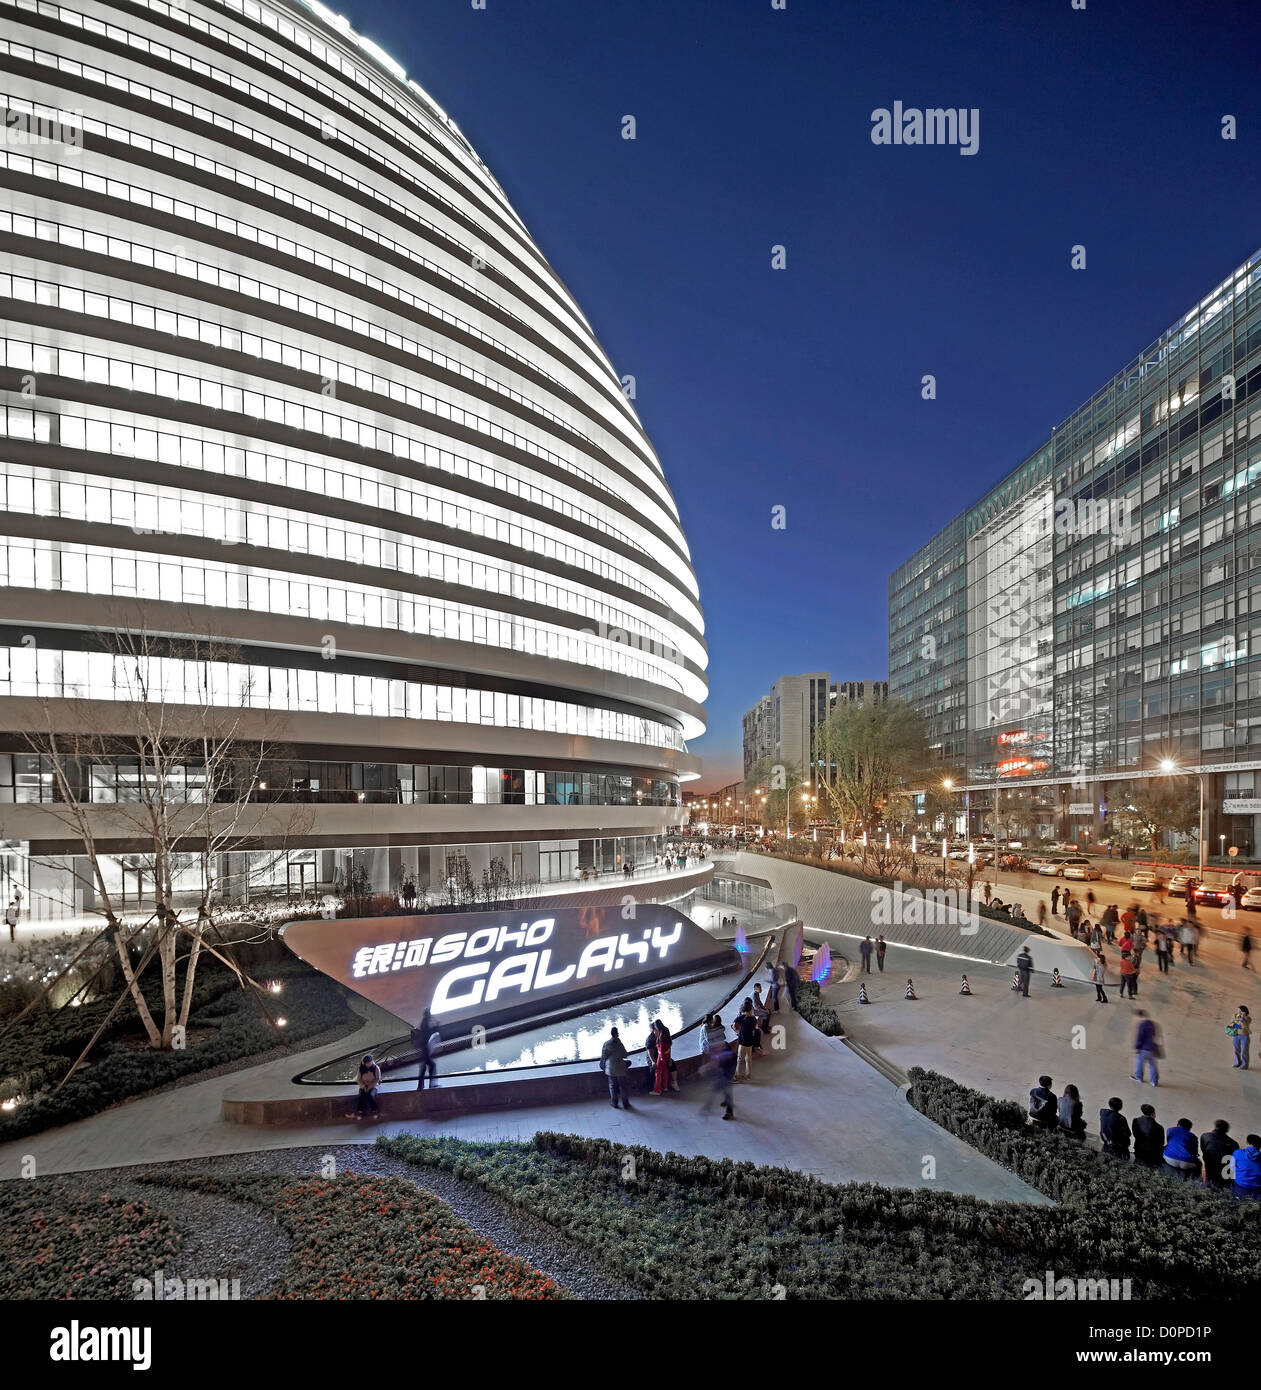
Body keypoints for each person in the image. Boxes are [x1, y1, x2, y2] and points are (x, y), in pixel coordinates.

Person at [701, 1013, 736, 1121]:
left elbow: (720, 1058)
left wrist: (707, 1067)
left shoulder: (719, 1045)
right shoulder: (719, 1042)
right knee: (721, 1086)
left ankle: (729, 1112)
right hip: (726, 1065)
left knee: (725, 1087)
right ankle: (718, 1104)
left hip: (728, 1065)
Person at [600, 1025, 633, 1109]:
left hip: (610, 1069)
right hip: (620, 1068)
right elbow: (625, 1055)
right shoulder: (620, 1044)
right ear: (617, 1034)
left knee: (612, 1085)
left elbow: (604, 1056)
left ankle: (614, 1102)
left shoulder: (606, 1044)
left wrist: (603, 1066)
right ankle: (625, 1103)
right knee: (623, 1086)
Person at [1200, 1119, 1238, 1189]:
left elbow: (1204, 1151)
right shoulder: (1234, 1144)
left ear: (1216, 1126)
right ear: (1226, 1130)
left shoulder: (1205, 1136)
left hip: (1210, 1173)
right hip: (1226, 1178)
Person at [733, 1002, 759, 1079]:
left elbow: (734, 1024)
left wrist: (738, 1031)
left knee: (740, 1059)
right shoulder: (753, 1019)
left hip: (743, 1042)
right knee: (748, 1059)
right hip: (750, 1041)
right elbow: (756, 1028)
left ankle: (736, 1076)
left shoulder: (742, 1019)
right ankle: (748, 1075)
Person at [1133, 1102, 1164, 1167]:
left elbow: (1135, 1134)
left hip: (1138, 1150)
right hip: (1151, 1154)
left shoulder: (1135, 1121)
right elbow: (1161, 1142)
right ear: (1153, 1114)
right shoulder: (1159, 1127)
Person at [650, 1019, 676, 1095]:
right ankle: (665, 1087)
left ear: (657, 1026)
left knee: (658, 1072)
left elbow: (661, 1047)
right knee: (665, 1070)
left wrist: (662, 1057)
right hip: (667, 1054)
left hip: (661, 1056)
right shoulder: (666, 1030)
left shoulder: (661, 1034)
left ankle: (657, 1090)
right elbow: (669, 1043)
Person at [1133, 1011, 1159, 1085]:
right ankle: (1154, 1081)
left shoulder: (1142, 1025)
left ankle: (1138, 1077)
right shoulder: (1152, 1024)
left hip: (1144, 1048)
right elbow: (1155, 1035)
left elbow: (1140, 1037)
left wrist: (1137, 1047)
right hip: (1152, 1047)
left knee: (1139, 1063)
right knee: (1152, 1065)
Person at [1232, 1134, 1261, 1200]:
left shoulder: (1237, 1152)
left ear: (1247, 1142)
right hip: (1258, 1189)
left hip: (1240, 1187)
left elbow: (1231, 1167)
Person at [353, 1053, 381, 1119]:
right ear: (364, 1063)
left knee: (370, 1095)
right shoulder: (361, 1069)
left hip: (374, 1085)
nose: (368, 1064)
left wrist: (370, 1086)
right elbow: (358, 1079)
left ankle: (375, 1110)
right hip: (363, 1085)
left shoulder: (376, 1068)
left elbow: (377, 1079)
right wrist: (363, 1086)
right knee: (361, 1095)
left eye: (369, 1062)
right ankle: (360, 1112)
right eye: (367, 1063)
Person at [1229, 1005, 1251, 1070]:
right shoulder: (1234, 1015)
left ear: (1244, 1011)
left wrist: (1242, 1018)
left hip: (1244, 1036)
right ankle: (1237, 1063)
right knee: (1236, 1049)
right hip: (1236, 1035)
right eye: (1238, 1010)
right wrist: (1239, 1026)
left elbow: (1245, 1026)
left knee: (1245, 1050)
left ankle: (1244, 1065)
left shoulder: (1248, 1018)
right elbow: (1232, 1023)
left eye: (1240, 1011)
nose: (1238, 1012)